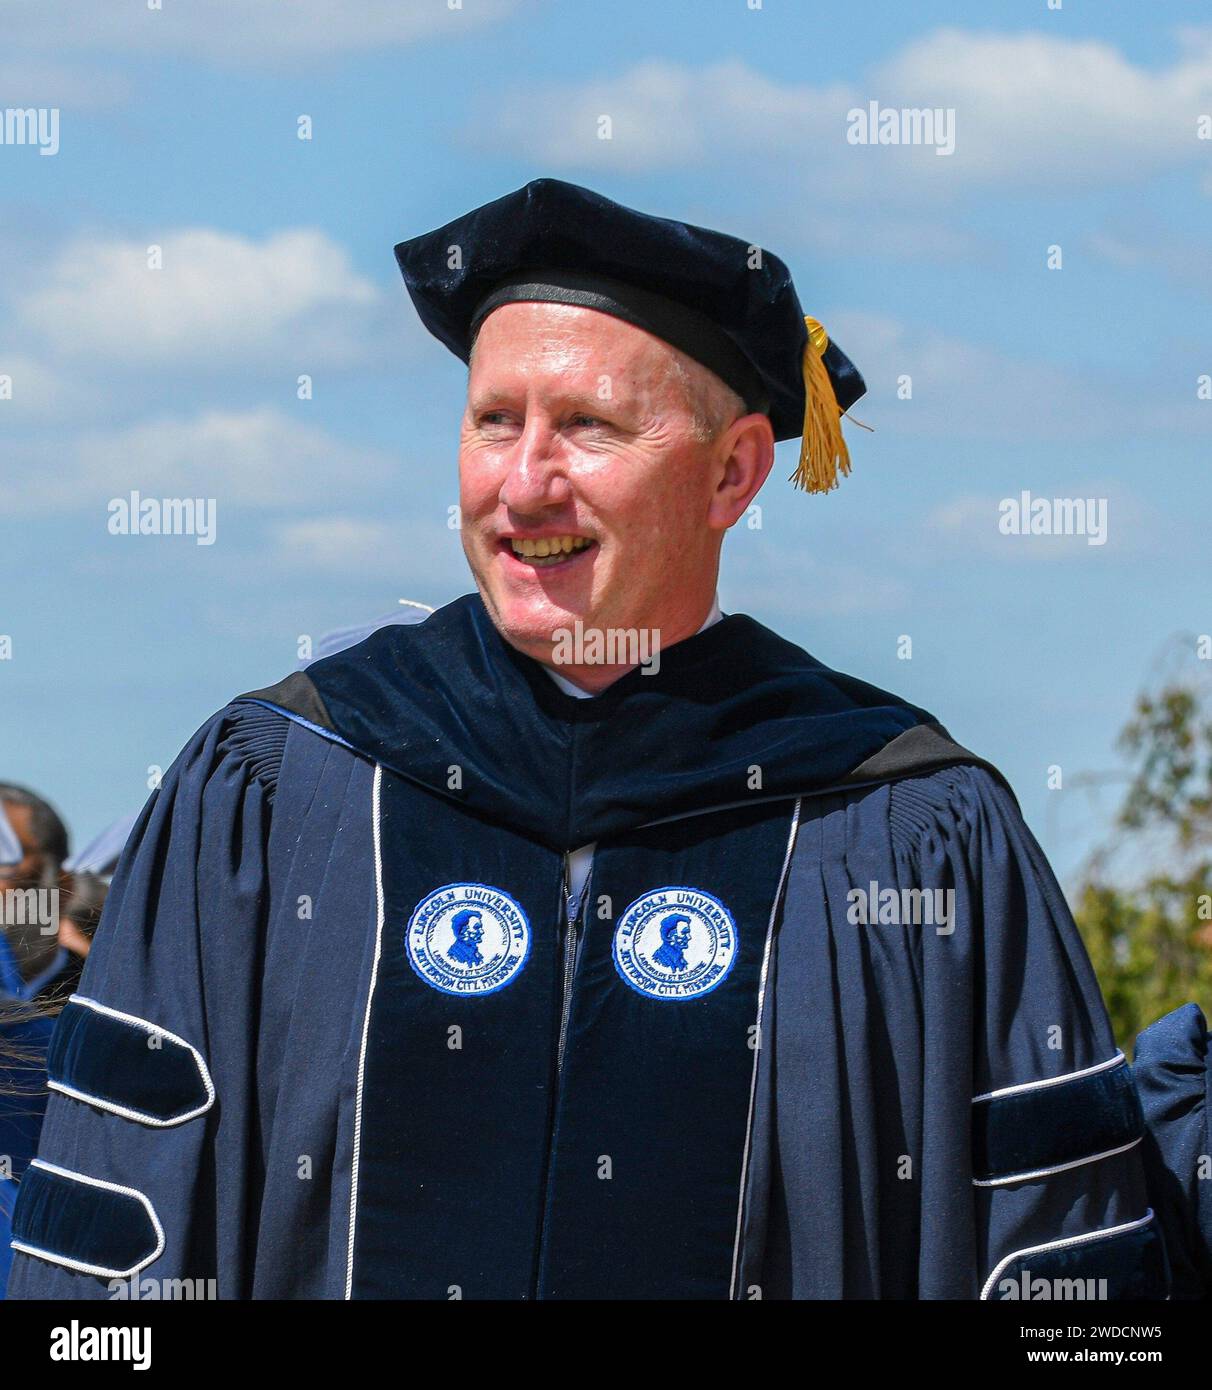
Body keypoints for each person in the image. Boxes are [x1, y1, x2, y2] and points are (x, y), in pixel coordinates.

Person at [7, 179, 1166, 1300]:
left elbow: (1054, 1258)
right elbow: (114, 1232)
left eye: (589, 428)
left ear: (733, 472)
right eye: (495, 421)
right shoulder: (277, 788)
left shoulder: (901, 825)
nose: (524, 485)